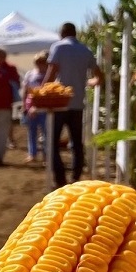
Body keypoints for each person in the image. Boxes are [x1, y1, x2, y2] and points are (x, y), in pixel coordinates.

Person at [45, 22, 104, 186]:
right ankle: (76, 177)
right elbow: (99, 76)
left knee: (52, 143)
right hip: (78, 104)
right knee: (77, 143)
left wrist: (42, 92)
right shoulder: (85, 50)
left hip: (60, 103)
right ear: (75, 33)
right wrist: (89, 82)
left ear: (61, 34)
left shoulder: (58, 47)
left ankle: (60, 179)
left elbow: (51, 74)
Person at [22, 52, 50, 164]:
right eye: (38, 62)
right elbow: (25, 91)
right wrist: (24, 106)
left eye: (42, 62)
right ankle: (32, 154)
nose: (40, 64)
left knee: (46, 133)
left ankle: (46, 155)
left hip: (45, 107)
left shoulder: (50, 75)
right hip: (31, 106)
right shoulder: (30, 74)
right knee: (32, 131)